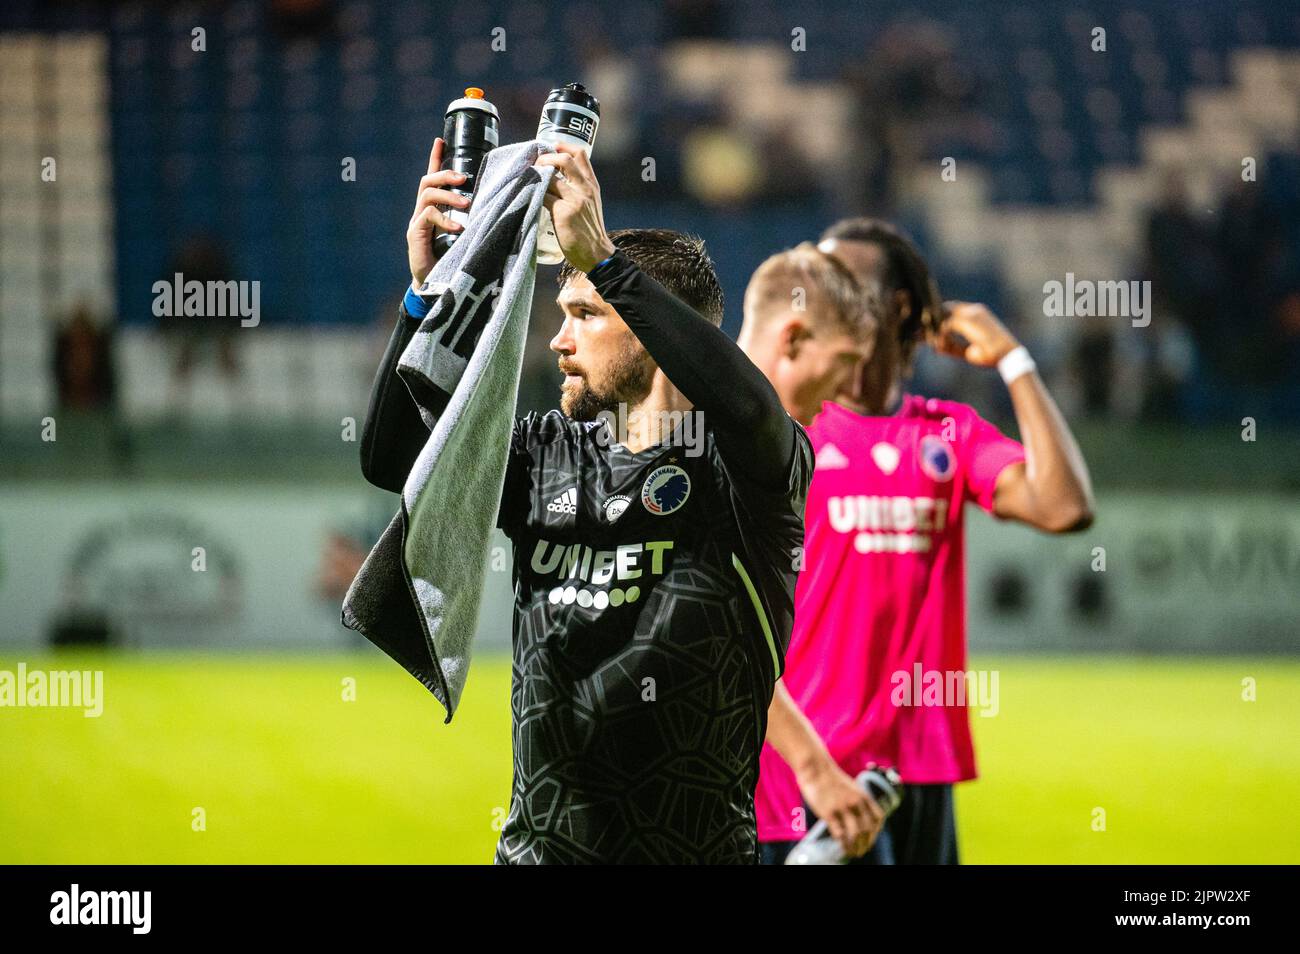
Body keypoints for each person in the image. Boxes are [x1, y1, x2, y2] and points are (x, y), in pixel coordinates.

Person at [359, 139, 873, 863]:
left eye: (585, 314)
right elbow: (390, 458)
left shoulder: (744, 471)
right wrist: (429, 301)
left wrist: (605, 260)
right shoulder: (542, 454)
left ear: (654, 324)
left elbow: (752, 408)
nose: (559, 341)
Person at [757, 218, 1095, 865]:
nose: (823, 293)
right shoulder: (788, 430)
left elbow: (1064, 505)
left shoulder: (949, 432)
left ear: (899, 307)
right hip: (805, 767)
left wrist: (1013, 361)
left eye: (845, 281)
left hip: (918, 765)